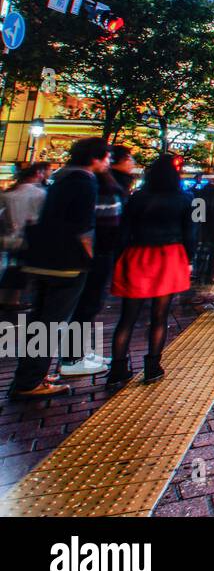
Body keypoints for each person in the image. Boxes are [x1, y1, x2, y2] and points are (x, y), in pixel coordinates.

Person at [8, 139, 109, 400]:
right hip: (67, 262)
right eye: (105, 157)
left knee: (40, 320)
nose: (107, 162)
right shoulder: (86, 183)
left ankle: (30, 374)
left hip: (42, 259)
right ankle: (30, 381)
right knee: (52, 321)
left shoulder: (59, 180)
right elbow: (83, 228)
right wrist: (90, 258)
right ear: (95, 159)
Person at [105, 157, 196, 386]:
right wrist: (190, 259)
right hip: (169, 256)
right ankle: (153, 366)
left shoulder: (136, 199)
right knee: (160, 316)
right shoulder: (186, 199)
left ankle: (117, 370)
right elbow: (191, 233)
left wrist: (119, 258)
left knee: (127, 317)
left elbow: (123, 233)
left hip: (138, 254)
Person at [58, 152, 127, 377]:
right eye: (105, 157)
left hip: (91, 254)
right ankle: (71, 358)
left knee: (85, 306)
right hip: (95, 255)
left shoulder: (72, 180)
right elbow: (99, 224)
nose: (106, 162)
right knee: (86, 305)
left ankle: (77, 354)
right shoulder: (96, 184)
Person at [0, 162, 51, 311]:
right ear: (37, 174)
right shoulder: (41, 194)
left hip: (8, 235)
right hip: (27, 235)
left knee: (10, 266)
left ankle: (5, 298)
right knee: (19, 268)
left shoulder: (9, 193)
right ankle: (13, 300)